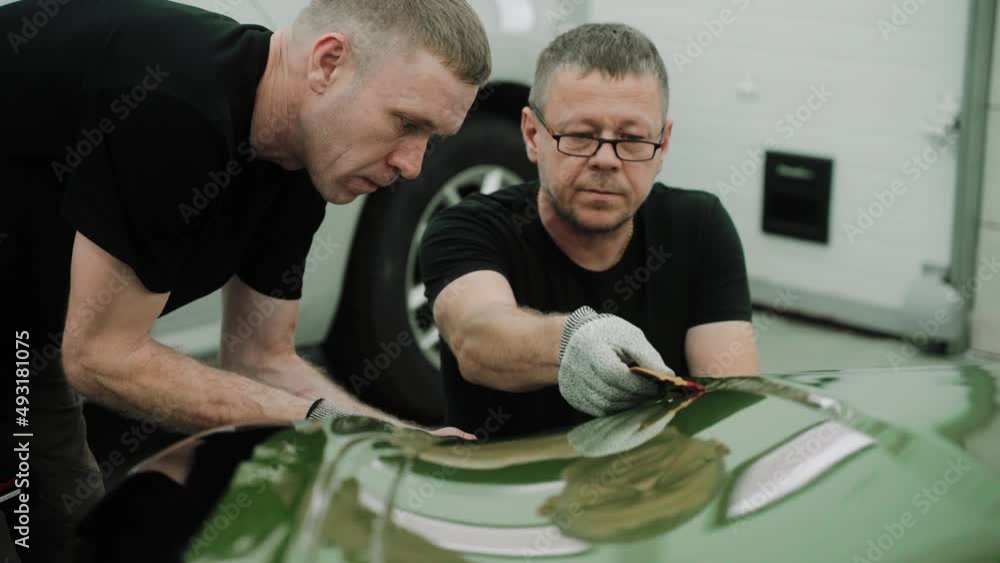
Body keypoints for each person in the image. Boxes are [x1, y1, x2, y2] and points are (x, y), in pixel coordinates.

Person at [0, 0, 490, 560]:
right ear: (328, 63)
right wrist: (327, 428)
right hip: (39, 327)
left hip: (26, 329)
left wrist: (398, 445)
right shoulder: (175, 101)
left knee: (65, 537)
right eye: (406, 123)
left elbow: (262, 358)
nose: (414, 165)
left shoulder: (301, 155)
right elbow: (102, 357)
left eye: (432, 137)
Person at [419, 23, 760, 439]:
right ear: (532, 134)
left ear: (663, 145)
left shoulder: (699, 227)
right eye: (581, 136)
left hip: (657, 476)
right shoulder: (468, 227)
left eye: (632, 139)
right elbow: (477, 338)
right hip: (512, 478)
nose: (606, 160)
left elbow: (729, 407)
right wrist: (570, 340)